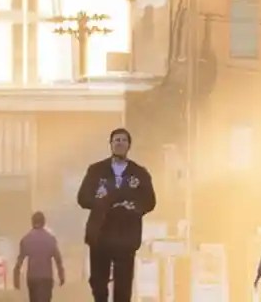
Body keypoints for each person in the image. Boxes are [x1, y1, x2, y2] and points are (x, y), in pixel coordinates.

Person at [76, 128, 156, 302]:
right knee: (98, 282)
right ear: (110, 144)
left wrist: (133, 208)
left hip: (126, 234)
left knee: (124, 283)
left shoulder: (140, 173)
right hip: (100, 233)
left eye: (124, 140)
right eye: (116, 140)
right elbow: (82, 198)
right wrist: (103, 202)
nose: (120, 143)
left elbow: (150, 201)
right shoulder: (96, 170)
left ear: (129, 145)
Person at [15, 212, 65, 302]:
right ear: (44, 222)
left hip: (32, 278)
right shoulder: (50, 239)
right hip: (46, 278)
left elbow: (19, 261)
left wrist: (16, 277)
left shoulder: (26, 239)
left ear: (32, 222)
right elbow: (58, 259)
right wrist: (61, 275)